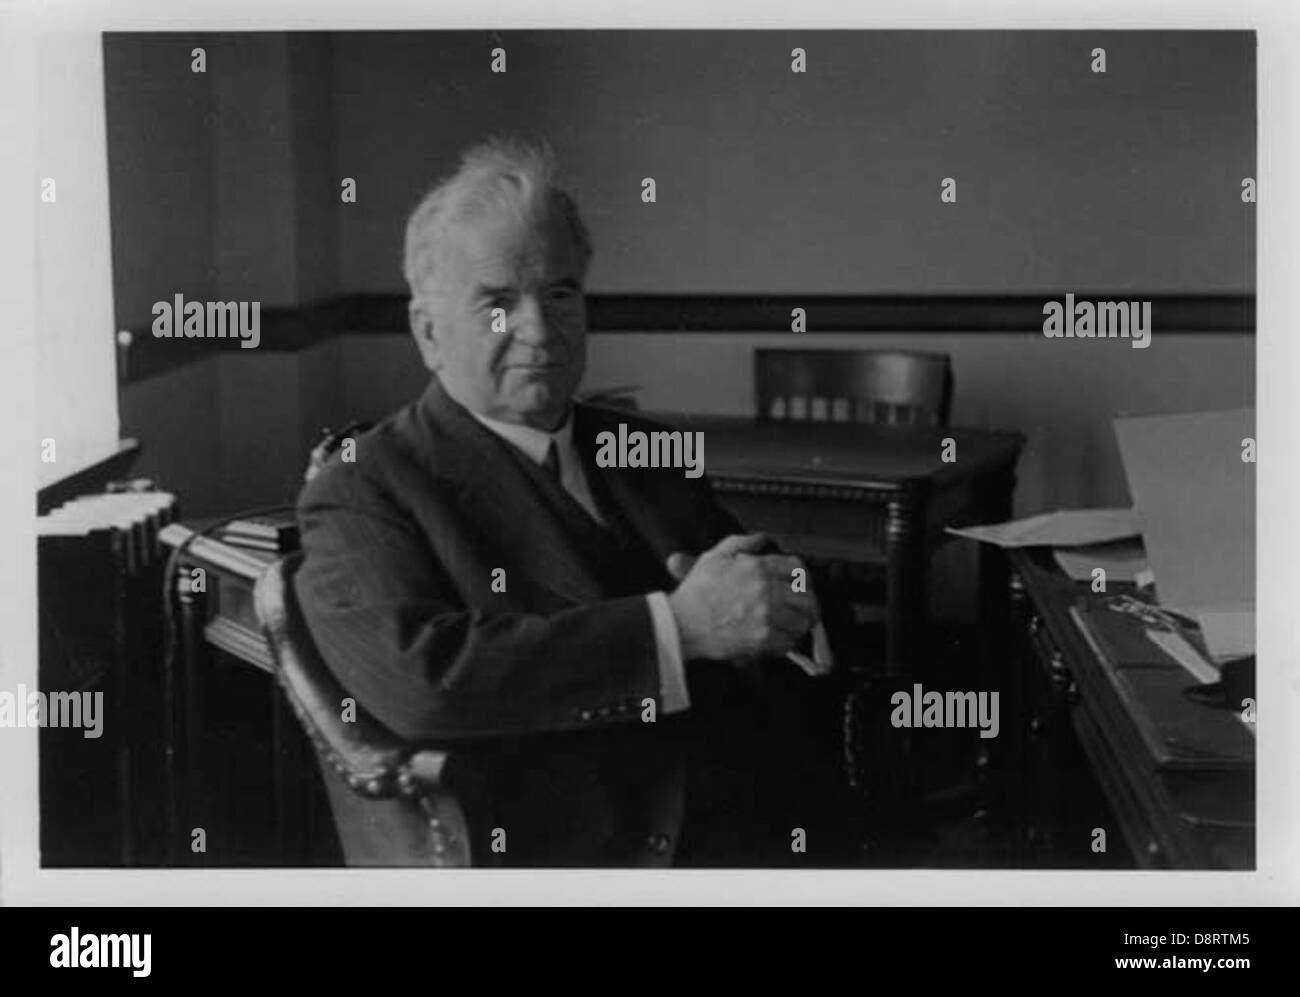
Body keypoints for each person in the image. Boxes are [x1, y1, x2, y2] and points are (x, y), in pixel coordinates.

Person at [294, 138, 852, 866]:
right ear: (429, 332)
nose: (539, 328)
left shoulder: (643, 447)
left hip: (760, 821)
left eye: (560, 293)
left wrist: (786, 600)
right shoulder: (363, 483)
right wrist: (676, 628)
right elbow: (428, 683)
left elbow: (757, 583)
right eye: (498, 303)